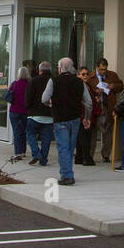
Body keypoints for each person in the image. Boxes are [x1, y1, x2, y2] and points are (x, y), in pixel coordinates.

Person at [46, 57, 91, 186]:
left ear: (60, 68)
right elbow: (88, 103)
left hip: (60, 118)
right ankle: (67, 171)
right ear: (72, 68)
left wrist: (50, 104)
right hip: (75, 118)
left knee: (63, 147)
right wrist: (86, 118)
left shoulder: (54, 81)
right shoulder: (79, 82)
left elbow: (44, 97)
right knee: (70, 146)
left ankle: (67, 175)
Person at [93, 58, 124, 162]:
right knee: (94, 131)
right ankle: (90, 154)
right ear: (97, 68)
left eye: (105, 69)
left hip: (108, 106)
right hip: (97, 106)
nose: (103, 72)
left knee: (108, 132)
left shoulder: (112, 75)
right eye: (101, 69)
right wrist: (96, 91)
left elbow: (121, 86)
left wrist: (113, 86)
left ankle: (106, 155)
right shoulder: (90, 77)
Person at [24, 61, 54, 165]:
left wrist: (28, 108)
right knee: (46, 139)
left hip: (34, 114)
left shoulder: (34, 81)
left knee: (30, 134)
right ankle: (43, 159)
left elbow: (28, 97)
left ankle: (36, 153)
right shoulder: (54, 81)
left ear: (40, 70)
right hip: (50, 115)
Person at [75, 66, 102, 166]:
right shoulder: (80, 85)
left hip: (87, 115)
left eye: (87, 74)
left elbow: (92, 97)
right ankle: (86, 158)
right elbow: (85, 102)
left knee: (82, 138)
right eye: (83, 74)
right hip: (84, 115)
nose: (86, 76)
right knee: (84, 138)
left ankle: (79, 157)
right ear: (78, 75)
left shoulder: (87, 85)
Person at [5, 66, 30, 163]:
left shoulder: (14, 84)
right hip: (26, 112)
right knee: (24, 131)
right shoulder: (29, 84)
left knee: (16, 131)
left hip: (14, 111)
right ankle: (23, 151)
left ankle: (18, 152)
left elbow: (8, 96)